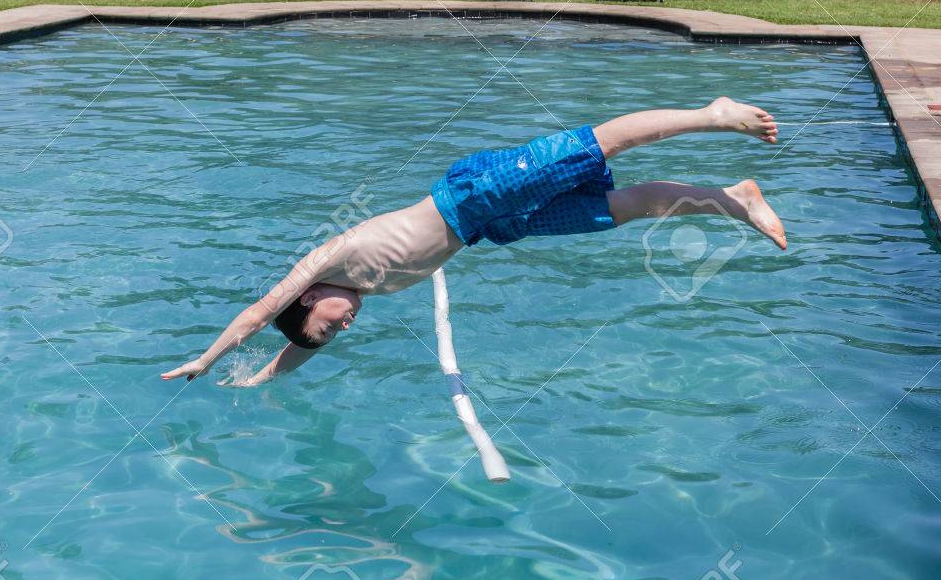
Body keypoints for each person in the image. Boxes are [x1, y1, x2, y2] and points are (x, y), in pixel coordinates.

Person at [161, 97, 785, 387]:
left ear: (308, 299)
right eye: (336, 332)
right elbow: (301, 345)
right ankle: (733, 198)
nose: (343, 326)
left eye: (329, 324)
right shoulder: (355, 292)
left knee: (597, 145)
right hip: (490, 226)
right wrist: (263, 377)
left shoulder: (331, 260)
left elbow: (258, 314)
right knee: (619, 210)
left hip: (477, 195)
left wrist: (206, 360)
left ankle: (712, 115)